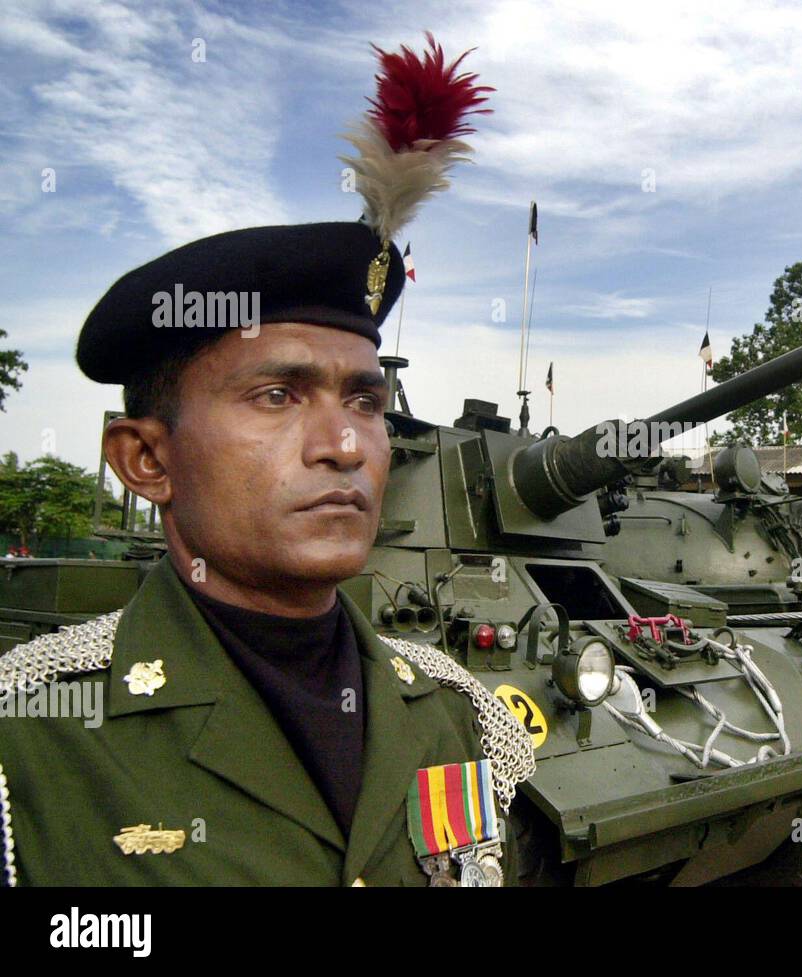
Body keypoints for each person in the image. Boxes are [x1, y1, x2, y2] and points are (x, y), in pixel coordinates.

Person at [0, 36, 535, 886]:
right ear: (145, 459)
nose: (348, 443)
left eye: (365, 399)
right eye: (277, 396)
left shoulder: (453, 711)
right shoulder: (30, 731)